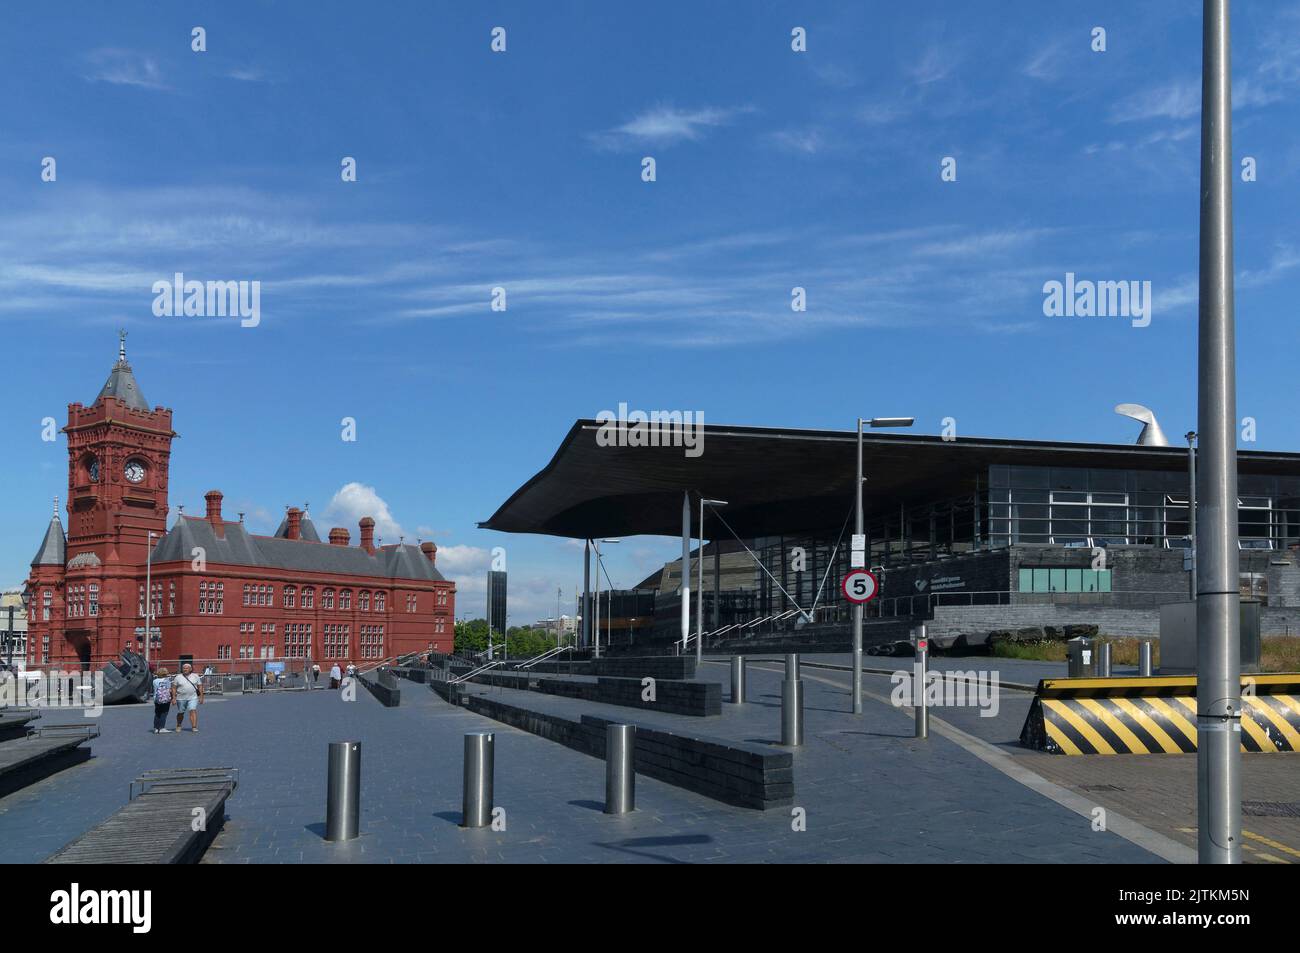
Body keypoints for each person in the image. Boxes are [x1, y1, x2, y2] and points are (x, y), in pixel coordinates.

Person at [172, 662, 204, 732]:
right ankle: (179, 725)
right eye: (184, 668)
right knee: (181, 712)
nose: (185, 669)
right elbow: (174, 688)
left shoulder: (195, 676)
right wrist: (174, 698)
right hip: (180, 698)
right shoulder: (178, 677)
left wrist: (201, 697)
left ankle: (194, 727)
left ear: (190, 669)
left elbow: (200, 686)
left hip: (193, 697)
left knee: (193, 710)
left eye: (186, 668)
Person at [151, 667, 173, 733]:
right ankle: (162, 728)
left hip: (157, 698)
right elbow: (169, 690)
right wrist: (172, 697)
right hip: (165, 699)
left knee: (157, 713)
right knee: (164, 713)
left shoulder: (154, 681)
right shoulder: (167, 680)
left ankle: (156, 728)